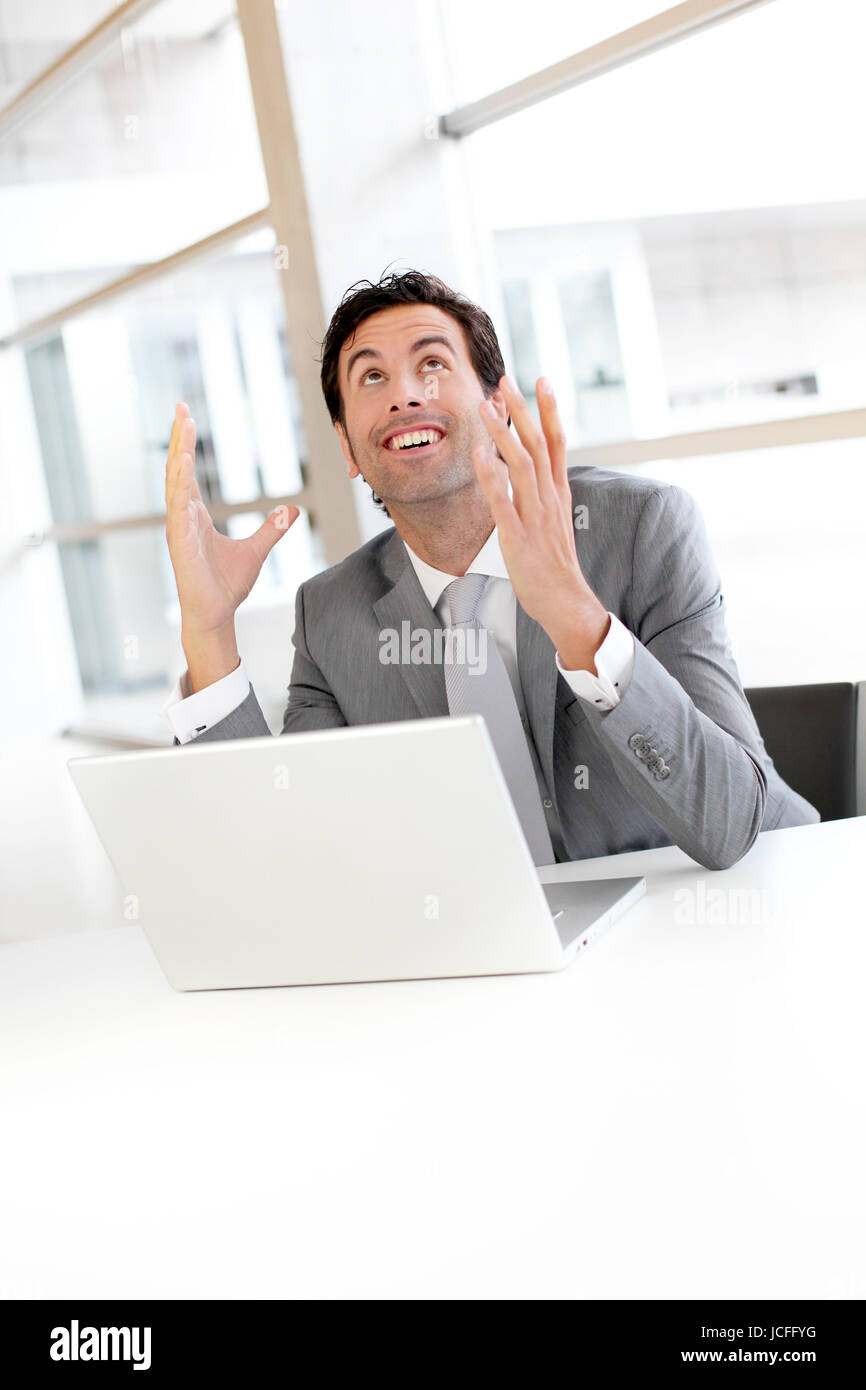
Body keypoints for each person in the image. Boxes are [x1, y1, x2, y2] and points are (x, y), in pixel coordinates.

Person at [161, 269, 818, 869]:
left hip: (751, 907)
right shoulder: (333, 615)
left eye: (433, 364)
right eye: (371, 378)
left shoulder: (642, 528)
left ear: (498, 405)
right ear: (347, 449)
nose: (404, 396)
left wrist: (578, 621)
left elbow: (732, 826)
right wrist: (210, 631)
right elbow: (287, 862)